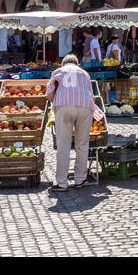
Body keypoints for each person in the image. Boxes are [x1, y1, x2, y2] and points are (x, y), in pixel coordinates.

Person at [46, 54, 95, 190]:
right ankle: (80, 179)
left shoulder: (57, 72)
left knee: (63, 145)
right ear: (77, 64)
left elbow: (49, 95)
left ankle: (62, 182)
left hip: (64, 107)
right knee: (82, 144)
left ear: (63, 64)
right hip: (85, 107)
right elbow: (92, 96)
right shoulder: (84, 73)